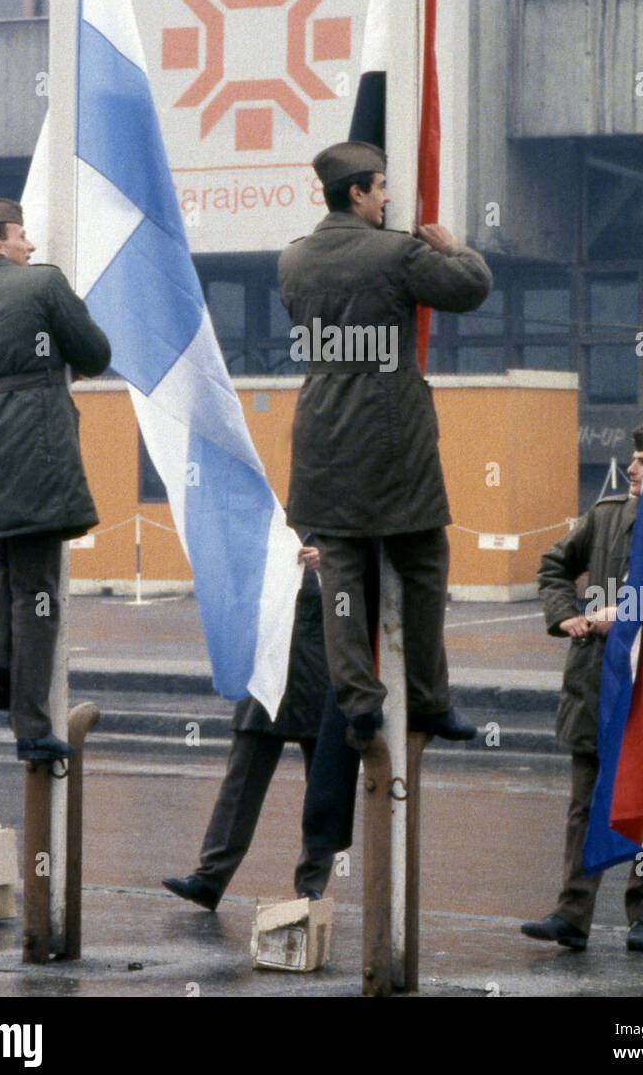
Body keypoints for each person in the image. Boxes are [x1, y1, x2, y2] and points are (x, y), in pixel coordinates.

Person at [278, 140, 492, 748]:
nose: (388, 198)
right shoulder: (396, 254)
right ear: (358, 193)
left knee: (341, 571)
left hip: (321, 425)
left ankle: (358, 699)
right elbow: (469, 290)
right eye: (381, 188)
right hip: (390, 425)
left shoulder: (291, 260)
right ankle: (429, 698)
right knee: (423, 560)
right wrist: (454, 248)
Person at [522, 426, 643, 953]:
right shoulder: (605, 517)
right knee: (584, 805)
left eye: (640, 461)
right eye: (631, 460)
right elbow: (553, 566)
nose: (631, 470)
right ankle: (572, 913)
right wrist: (566, 616)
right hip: (597, 685)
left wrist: (625, 617)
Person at [0, 199, 111, 765]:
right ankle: (32, 727)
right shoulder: (40, 286)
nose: (31, 246)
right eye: (22, 236)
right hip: (33, 445)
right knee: (38, 589)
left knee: (9, 559)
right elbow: (96, 354)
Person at [162, 542, 339, 909]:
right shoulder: (275, 531)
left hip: (323, 680)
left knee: (324, 793)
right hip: (265, 676)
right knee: (239, 786)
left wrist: (330, 563)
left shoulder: (343, 533)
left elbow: (367, 585)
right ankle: (209, 879)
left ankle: (311, 887)